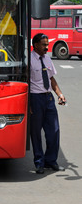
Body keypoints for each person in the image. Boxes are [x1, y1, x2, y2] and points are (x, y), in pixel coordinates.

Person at [30, 33, 66, 174]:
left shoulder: (47, 58)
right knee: (36, 133)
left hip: (48, 98)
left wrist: (60, 94)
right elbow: (25, 82)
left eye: (47, 44)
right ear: (36, 45)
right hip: (35, 98)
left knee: (54, 131)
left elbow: (51, 78)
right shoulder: (29, 60)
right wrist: (29, 104)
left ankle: (51, 161)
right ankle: (39, 162)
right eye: (44, 45)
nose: (47, 47)